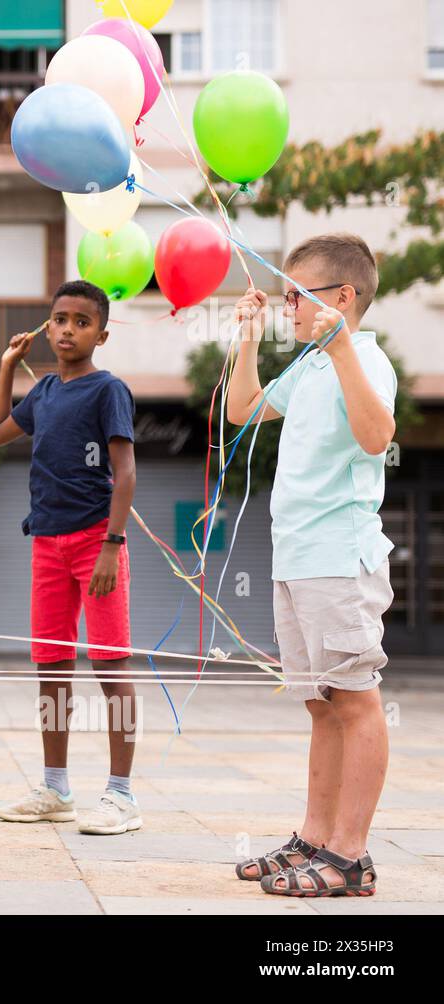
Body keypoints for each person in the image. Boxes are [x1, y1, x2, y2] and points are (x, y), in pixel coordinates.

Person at [226, 234, 395, 897]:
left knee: (356, 701)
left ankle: (350, 857)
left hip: (337, 560)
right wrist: (246, 338)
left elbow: (378, 436)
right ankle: (315, 839)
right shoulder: (307, 367)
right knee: (323, 706)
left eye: (298, 293)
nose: (288, 304)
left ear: (343, 298)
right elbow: (242, 410)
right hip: (294, 558)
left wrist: (343, 346)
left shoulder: (364, 358)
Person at [0, 280, 140, 836]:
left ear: (101, 332)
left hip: (97, 540)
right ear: (47, 327)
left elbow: (124, 473)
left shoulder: (108, 390)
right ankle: (55, 788)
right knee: (51, 669)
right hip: (46, 542)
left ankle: (122, 796)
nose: (67, 329)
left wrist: (111, 546)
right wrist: (8, 367)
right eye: (59, 319)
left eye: (80, 321)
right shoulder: (46, 390)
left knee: (110, 667)